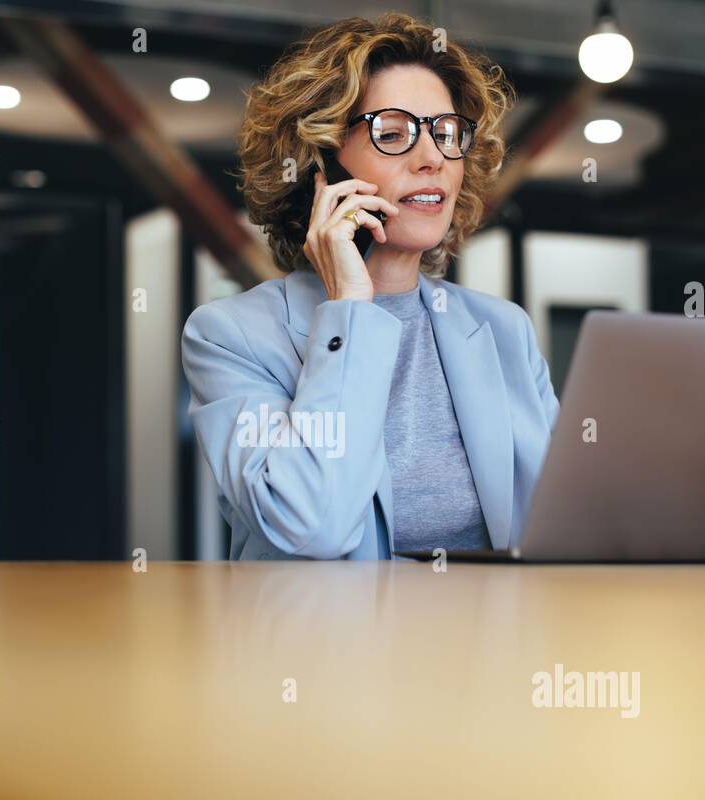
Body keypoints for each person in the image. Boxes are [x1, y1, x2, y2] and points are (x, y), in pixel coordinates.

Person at [182, 12, 559, 560]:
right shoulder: (229, 335)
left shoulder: (505, 331)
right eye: (392, 133)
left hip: (497, 640)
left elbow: (563, 521)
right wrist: (349, 313)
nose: (431, 158)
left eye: (447, 134)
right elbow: (312, 527)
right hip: (331, 644)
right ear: (322, 167)